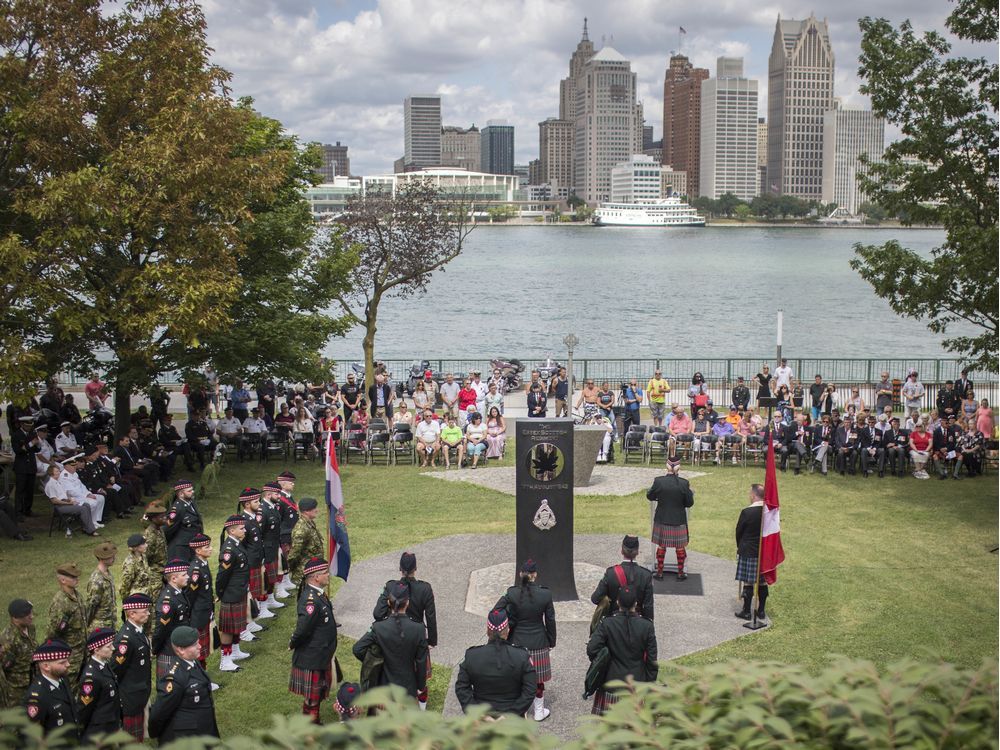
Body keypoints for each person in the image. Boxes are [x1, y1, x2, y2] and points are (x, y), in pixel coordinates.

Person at [493, 560, 555, 722]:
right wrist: (551, 641)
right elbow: (550, 621)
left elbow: (496, 610)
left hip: (516, 641)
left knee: (516, 677)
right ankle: (539, 711)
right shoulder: (545, 594)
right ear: (535, 575)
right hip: (539, 641)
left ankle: (517, 710)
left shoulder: (512, 593)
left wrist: (510, 620)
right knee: (537, 679)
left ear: (521, 574)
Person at [352, 581, 429, 708]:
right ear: (408, 602)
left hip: (384, 686)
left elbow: (358, 648)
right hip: (407, 688)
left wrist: (372, 660)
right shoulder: (419, 629)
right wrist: (420, 686)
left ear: (389, 602)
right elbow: (421, 662)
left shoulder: (378, 627)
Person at [586, 587, 658, 716]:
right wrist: (649, 684)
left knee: (606, 729)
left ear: (618, 602)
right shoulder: (647, 626)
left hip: (610, 681)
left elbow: (592, 649)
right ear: (636, 603)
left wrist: (602, 659)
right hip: (636, 684)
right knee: (633, 731)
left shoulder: (607, 623)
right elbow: (652, 661)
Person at [455, 608, 536, 718]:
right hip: (513, 721)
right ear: (507, 631)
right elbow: (530, 690)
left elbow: (462, 688)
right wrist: (510, 715)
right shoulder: (521, 656)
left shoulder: (472, 656)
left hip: (481, 720)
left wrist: (481, 716)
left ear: (488, 631)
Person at [373, 552, 438, 681]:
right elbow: (430, 617)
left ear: (400, 568)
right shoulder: (425, 588)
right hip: (416, 634)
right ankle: (420, 698)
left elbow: (378, 614)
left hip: (393, 633)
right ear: (415, 568)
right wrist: (431, 641)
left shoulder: (391, 586)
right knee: (419, 671)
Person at [289, 557, 339, 724]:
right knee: (312, 697)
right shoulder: (310, 600)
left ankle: (313, 722)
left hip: (321, 653)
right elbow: (303, 629)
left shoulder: (318, 594)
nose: (328, 575)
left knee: (317, 694)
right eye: (325, 573)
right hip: (312, 656)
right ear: (316, 577)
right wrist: (293, 642)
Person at [148, 626, 219, 742]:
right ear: (181, 650)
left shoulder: (192, 662)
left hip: (203, 729)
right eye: (195, 644)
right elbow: (160, 712)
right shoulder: (173, 678)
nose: (200, 646)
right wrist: (155, 733)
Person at [113, 593, 153, 742]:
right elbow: (115, 671)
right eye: (145, 611)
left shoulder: (137, 631)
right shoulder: (125, 639)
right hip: (130, 696)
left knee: (137, 738)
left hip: (139, 693)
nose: (148, 613)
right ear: (131, 613)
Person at [646, 457, 694, 580]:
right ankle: (680, 573)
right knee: (680, 547)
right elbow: (689, 503)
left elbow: (650, 496)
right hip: (678, 520)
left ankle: (660, 573)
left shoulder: (658, 481)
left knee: (661, 546)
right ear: (679, 467)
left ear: (666, 466)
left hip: (662, 518)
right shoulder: (684, 483)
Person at [216, 515, 251, 672]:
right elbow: (222, 576)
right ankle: (226, 659)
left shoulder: (237, 544)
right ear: (232, 530)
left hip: (239, 590)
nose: (245, 530)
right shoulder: (229, 550)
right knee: (228, 629)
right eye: (241, 528)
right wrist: (221, 593)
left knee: (237, 625)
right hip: (231, 593)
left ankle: (235, 651)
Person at [590, 535, 654, 621]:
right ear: (638, 552)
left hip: (613, 623)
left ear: (622, 551)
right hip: (636, 623)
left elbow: (595, 598)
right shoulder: (646, 575)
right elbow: (648, 607)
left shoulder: (611, 573)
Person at [46, 563, 89, 690]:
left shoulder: (77, 595)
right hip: (70, 656)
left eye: (77, 576)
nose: (77, 579)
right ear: (63, 580)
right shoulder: (60, 603)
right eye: (73, 577)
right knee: (68, 688)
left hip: (82, 652)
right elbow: (52, 634)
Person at [75, 627, 122, 743]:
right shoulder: (91, 677)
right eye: (109, 646)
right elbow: (84, 710)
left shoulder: (104, 665)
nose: (113, 648)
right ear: (96, 650)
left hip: (108, 727)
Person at [24, 639, 77, 736]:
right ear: (46, 666)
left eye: (67, 661)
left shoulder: (62, 680)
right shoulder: (37, 696)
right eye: (62, 662)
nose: (68, 665)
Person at [735, 484, 770, 622]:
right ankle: (761, 611)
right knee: (762, 583)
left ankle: (746, 611)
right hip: (763, 552)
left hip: (748, 551)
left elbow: (739, 532)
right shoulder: (768, 512)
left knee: (748, 583)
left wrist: (740, 547)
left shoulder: (747, 512)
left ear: (754, 495)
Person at [152, 560, 192, 680]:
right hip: (170, 648)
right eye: (184, 575)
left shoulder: (178, 592)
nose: (188, 577)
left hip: (180, 643)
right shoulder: (168, 601)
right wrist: (155, 649)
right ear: (174, 579)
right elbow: (161, 629)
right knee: (170, 683)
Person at [186, 534, 215, 672]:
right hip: (198, 614)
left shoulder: (203, 563)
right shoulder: (195, 570)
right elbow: (190, 596)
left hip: (204, 611)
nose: (211, 549)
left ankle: (203, 676)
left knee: (203, 649)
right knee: (198, 650)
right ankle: (198, 676)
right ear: (198, 551)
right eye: (207, 547)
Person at [44, 464, 100, 536]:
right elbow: (54, 501)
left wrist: (70, 500)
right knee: (83, 509)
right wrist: (69, 503)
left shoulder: (57, 482)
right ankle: (91, 531)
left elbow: (63, 495)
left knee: (86, 505)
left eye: (58, 471)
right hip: (60, 507)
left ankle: (85, 528)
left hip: (65, 503)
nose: (59, 473)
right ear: (51, 473)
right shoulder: (51, 484)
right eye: (56, 471)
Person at [1, 599, 36, 709]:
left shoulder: (30, 628)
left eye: (31, 613)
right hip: (17, 690)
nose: (31, 616)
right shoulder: (8, 639)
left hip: (34, 681)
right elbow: (5, 668)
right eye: (27, 615)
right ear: (15, 618)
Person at [260, 482, 285, 611]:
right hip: (266, 548)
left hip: (273, 546)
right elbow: (260, 533)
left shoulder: (272, 507)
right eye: (277, 493)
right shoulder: (262, 510)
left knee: (272, 576)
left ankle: (270, 600)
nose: (279, 496)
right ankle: (263, 607)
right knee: (266, 578)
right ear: (268, 494)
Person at [164, 479, 203, 562]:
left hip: (192, 544)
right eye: (189, 491)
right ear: (181, 494)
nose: (192, 492)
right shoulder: (177, 509)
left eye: (192, 489)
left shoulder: (191, 502)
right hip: (181, 547)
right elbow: (168, 529)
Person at [288, 498, 324, 587]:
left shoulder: (309, 523)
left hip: (313, 568)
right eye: (314, 508)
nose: (317, 510)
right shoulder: (301, 529)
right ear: (306, 511)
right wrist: (295, 570)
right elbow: (294, 555)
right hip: (305, 572)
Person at [12, 415, 41, 517]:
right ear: (22, 424)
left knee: (30, 490)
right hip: (21, 466)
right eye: (27, 426)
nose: (29, 428)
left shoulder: (32, 434)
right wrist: (31, 444)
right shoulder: (16, 435)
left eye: (30, 426)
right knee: (20, 490)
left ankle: (27, 509)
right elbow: (18, 450)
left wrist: (37, 444)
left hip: (31, 466)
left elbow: (37, 450)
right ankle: (18, 512)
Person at [86, 542, 118, 630]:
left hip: (110, 622)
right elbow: (91, 606)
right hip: (100, 625)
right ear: (101, 559)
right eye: (110, 556)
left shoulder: (107, 573)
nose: (114, 558)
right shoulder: (97, 580)